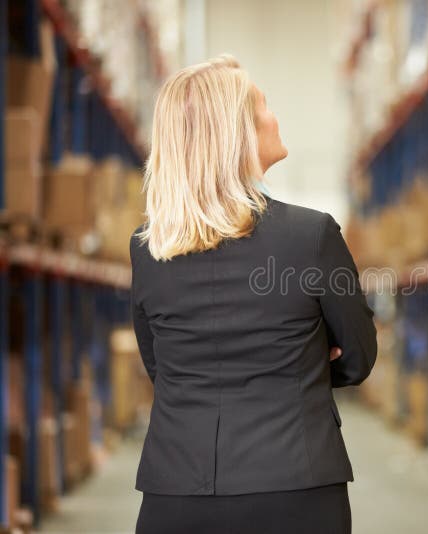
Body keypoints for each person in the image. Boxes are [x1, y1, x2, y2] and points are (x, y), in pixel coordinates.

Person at [130, 55, 377, 534]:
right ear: (236, 132)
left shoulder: (149, 250)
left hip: (177, 494)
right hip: (297, 492)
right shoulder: (313, 236)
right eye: (263, 105)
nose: (274, 116)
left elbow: (161, 367)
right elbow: (359, 357)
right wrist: (302, 364)